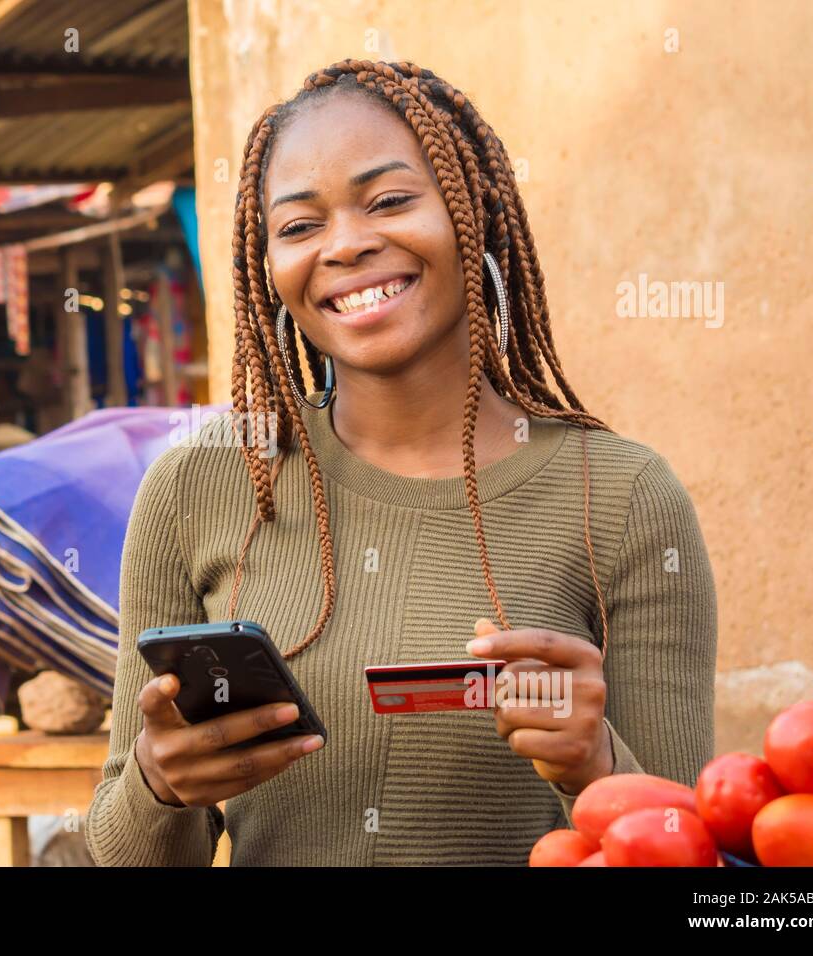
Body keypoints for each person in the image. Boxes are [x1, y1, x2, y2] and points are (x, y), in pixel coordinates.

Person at [85, 60, 717, 866]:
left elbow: (698, 863)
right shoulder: (202, 484)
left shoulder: (623, 497)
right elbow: (119, 850)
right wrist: (158, 785)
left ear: (473, 213)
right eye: (300, 226)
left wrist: (594, 766)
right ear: (269, 268)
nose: (347, 245)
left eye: (389, 201)